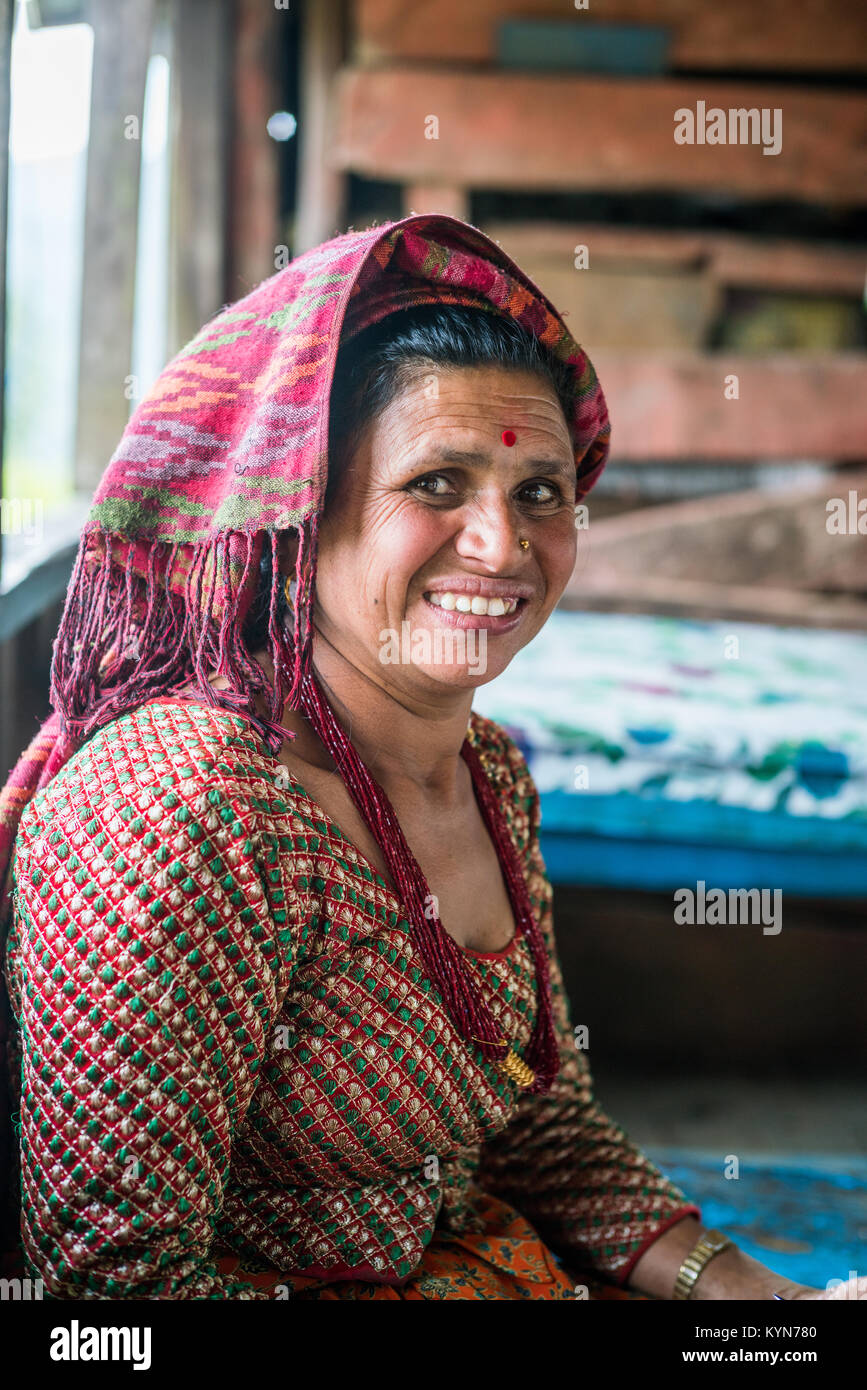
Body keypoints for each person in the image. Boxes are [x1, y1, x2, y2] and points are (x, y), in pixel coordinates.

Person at [0, 214, 856, 1300]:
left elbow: (537, 1122)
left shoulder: (488, 774)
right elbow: (114, 1294)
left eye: (539, 493)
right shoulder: (191, 809)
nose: (502, 548)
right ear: (303, 513)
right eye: (437, 484)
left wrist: (753, 1296)